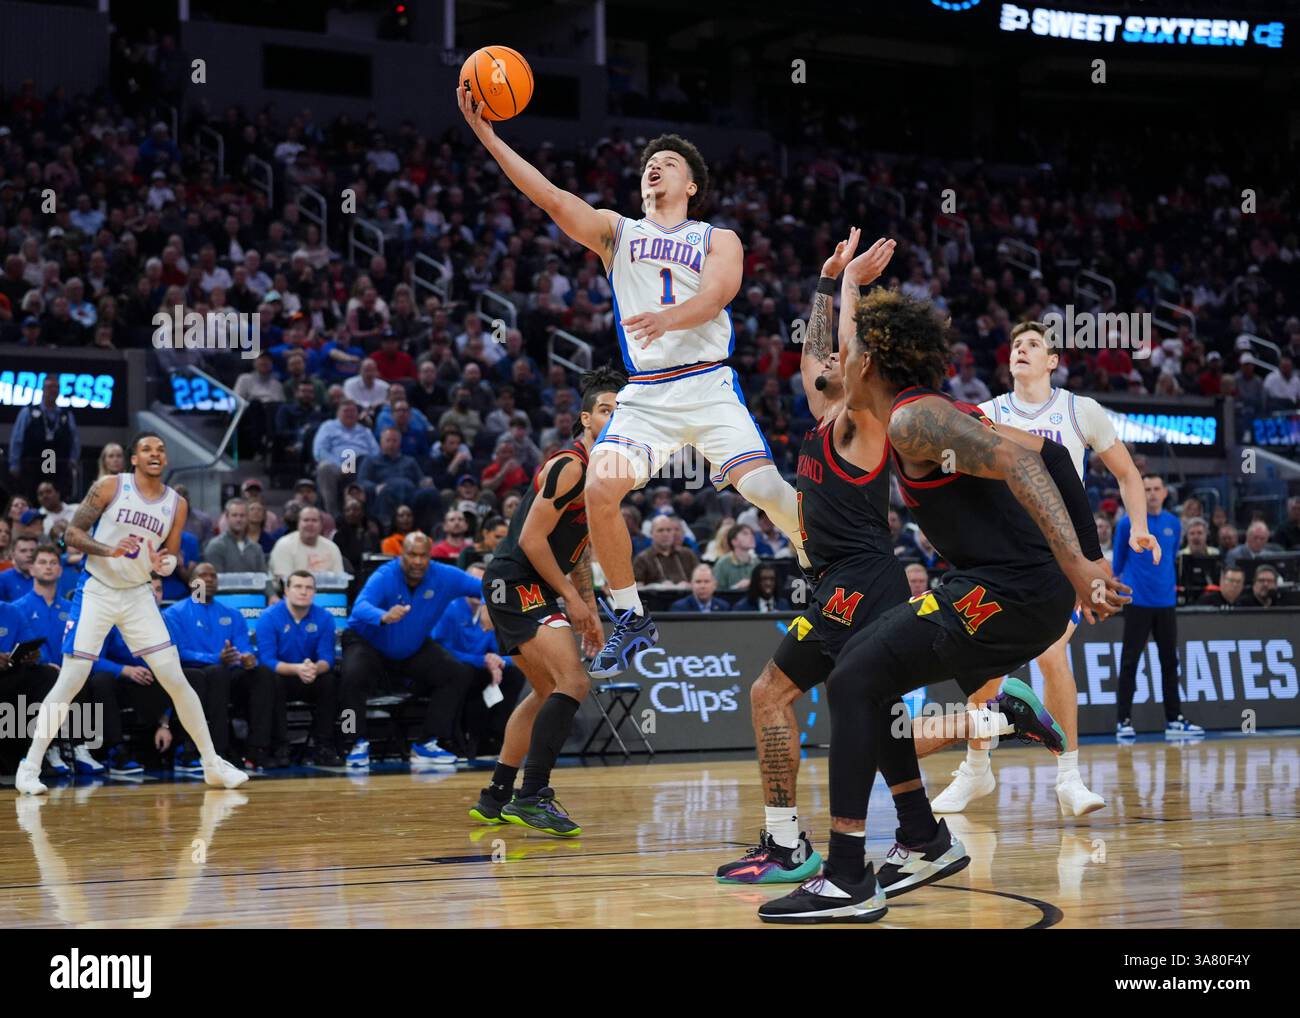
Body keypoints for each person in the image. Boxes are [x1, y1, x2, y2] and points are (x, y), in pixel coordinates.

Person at [757, 285, 1124, 923]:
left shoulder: (912, 418)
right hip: (998, 583)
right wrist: (1086, 557)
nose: (834, 357)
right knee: (864, 679)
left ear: (867, 362)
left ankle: (847, 875)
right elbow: (1057, 454)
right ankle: (925, 836)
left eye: (849, 348)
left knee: (852, 681)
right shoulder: (900, 416)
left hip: (1012, 589)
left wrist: (1079, 564)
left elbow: (1021, 462)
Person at [458, 89, 808, 682]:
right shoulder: (615, 232)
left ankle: (813, 551)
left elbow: (719, 292)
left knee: (769, 492)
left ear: (692, 185)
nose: (656, 165)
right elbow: (546, 196)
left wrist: (668, 319)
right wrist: (488, 134)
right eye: (652, 160)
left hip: (708, 385)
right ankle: (631, 616)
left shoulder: (717, 237)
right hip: (646, 394)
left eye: (670, 162)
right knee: (600, 487)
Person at [924, 319, 1158, 817]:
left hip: (1061, 556)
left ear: (1053, 361)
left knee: (1051, 653)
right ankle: (976, 770)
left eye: (1033, 344)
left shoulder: (1080, 411)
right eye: (1016, 345)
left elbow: (1127, 473)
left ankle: (1069, 776)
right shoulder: (986, 413)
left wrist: (1138, 527)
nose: (1022, 350)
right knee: (984, 667)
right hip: (1002, 554)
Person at [15, 433, 247, 795]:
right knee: (72, 678)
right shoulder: (110, 486)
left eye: (161, 450)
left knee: (174, 677)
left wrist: (163, 562)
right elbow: (72, 536)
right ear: (134, 459)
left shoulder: (176, 504)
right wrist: (109, 549)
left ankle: (212, 763)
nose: (155, 454)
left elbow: (171, 561)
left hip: (139, 593)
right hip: (97, 589)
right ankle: (29, 767)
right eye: (146, 449)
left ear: (165, 460)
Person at [470, 368, 620, 835]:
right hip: (516, 580)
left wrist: (589, 606)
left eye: (622, 411)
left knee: (546, 691)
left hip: (537, 583)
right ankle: (532, 795)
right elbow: (534, 541)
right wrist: (572, 601)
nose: (614, 418)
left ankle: (495, 795)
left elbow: (579, 545)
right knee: (573, 682)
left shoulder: (608, 471)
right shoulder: (569, 465)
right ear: (585, 418)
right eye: (605, 410)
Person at [340, 531, 482, 768]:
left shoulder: (444, 575)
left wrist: (491, 604)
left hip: (411, 647)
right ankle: (353, 741)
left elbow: (490, 585)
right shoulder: (385, 575)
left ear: (430, 556)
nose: (417, 561)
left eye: (423, 555)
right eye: (411, 555)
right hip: (368, 642)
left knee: (456, 674)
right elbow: (359, 607)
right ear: (401, 554)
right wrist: (383, 615)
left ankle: (426, 743)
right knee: (351, 677)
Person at [165, 562, 282, 771]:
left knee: (263, 673)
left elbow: (244, 648)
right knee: (216, 673)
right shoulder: (174, 613)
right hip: (196, 674)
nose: (210, 579)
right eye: (203, 575)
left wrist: (247, 658)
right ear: (192, 582)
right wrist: (215, 658)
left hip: (228, 673)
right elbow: (179, 653)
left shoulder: (232, 614)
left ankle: (257, 749)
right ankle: (219, 749)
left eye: (213, 576)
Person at [1112, 473, 1202, 740]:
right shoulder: (1127, 523)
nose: (1151, 493)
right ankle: (1123, 721)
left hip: (1165, 601)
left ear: (1164, 493)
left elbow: (1169, 558)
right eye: (1146, 489)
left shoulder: (1174, 524)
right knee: (1130, 662)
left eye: (1156, 489)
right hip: (1137, 601)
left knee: (1169, 663)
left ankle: (1174, 720)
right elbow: (1117, 564)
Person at [13, 544, 115, 777]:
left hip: (67, 669)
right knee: (50, 677)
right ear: (31, 569)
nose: (48, 567)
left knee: (79, 673)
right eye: (42, 562)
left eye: (53, 563)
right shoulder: (19, 608)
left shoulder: (72, 608)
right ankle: (50, 748)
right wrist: (46, 663)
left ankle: (80, 748)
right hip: (36, 673)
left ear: (61, 570)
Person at [431, 562, 526, 757]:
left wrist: (497, 661)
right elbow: (441, 651)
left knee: (514, 674)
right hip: (450, 670)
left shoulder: (491, 613)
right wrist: (483, 660)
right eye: (473, 582)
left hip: (480, 670)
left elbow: (503, 653)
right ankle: (457, 741)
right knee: (468, 675)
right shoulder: (449, 610)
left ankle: (495, 737)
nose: (477, 588)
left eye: (482, 583)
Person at [255, 570, 342, 766]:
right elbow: (267, 659)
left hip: (310, 676)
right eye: (298, 587)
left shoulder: (325, 618)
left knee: (330, 680)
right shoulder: (268, 617)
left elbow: (327, 658)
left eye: (309, 588)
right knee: (268, 680)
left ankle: (324, 746)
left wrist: (314, 668)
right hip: (282, 677)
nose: (303, 592)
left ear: (315, 592)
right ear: (286, 591)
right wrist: (297, 669)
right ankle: (279, 746)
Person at [8, 375, 82, 499]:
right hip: (32, 466)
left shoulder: (66, 415)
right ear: (42, 389)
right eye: (50, 387)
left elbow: (75, 441)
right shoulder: (28, 412)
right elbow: (17, 439)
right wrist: (14, 464)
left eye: (56, 387)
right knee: (31, 498)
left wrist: (73, 460)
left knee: (58, 498)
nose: (53, 390)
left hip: (59, 467)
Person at [313, 400, 380, 516]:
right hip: (337, 466)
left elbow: (376, 452)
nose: (349, 414)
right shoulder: (328, 427)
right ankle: (332, 515)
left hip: (362, 465)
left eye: (353, 411)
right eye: (346, 411)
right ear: (338, 413)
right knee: (324, 467)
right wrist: (341, 466)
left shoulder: (365, 431)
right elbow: (319, 451)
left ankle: (367, 516)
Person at [268, 506, 344, 579]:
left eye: (314, 520)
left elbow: (338, 578)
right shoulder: (283, 545)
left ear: (321, 525)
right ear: (298, 524)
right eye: (306, 520)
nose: (310, 524)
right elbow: (283, 580)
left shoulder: (332, 547)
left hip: (325, 591)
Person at [203, 497, 268, 574]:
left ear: (247, 518)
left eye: (242, 515)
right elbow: (215, 580)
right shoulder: (216, 546)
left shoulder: (256, 548)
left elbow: (263, 579)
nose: (238, 519)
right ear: (227, 517)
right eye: (234, 515)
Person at [632, 514, 698, 589]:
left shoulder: (688, 554)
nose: (665, 534)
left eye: (668, 530)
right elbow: (636, 588)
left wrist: (689, 585)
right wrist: (657, 587)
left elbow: (701, 580)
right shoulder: (642, 559)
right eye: (660, 530)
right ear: (651, 534)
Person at [711, 523, 759, 591]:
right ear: (734, 541)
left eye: (751, 533)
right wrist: (736, 587)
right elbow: (717, 592)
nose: (751, 536)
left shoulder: (757, 562)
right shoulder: (722, 564)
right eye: (745, 534)